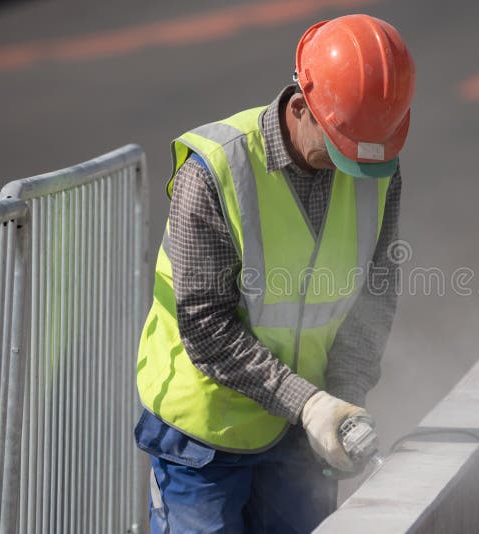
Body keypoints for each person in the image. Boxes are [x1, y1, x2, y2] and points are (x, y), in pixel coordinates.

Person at [134, 13, 416, 533]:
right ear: (301, 103)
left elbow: (374, 297)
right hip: (203, 435)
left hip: (298, 434)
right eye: (340, 147)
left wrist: (343, 400)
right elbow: (206, 327)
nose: (348, 169)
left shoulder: (375, 170)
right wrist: (310, 404)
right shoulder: (214, 171)